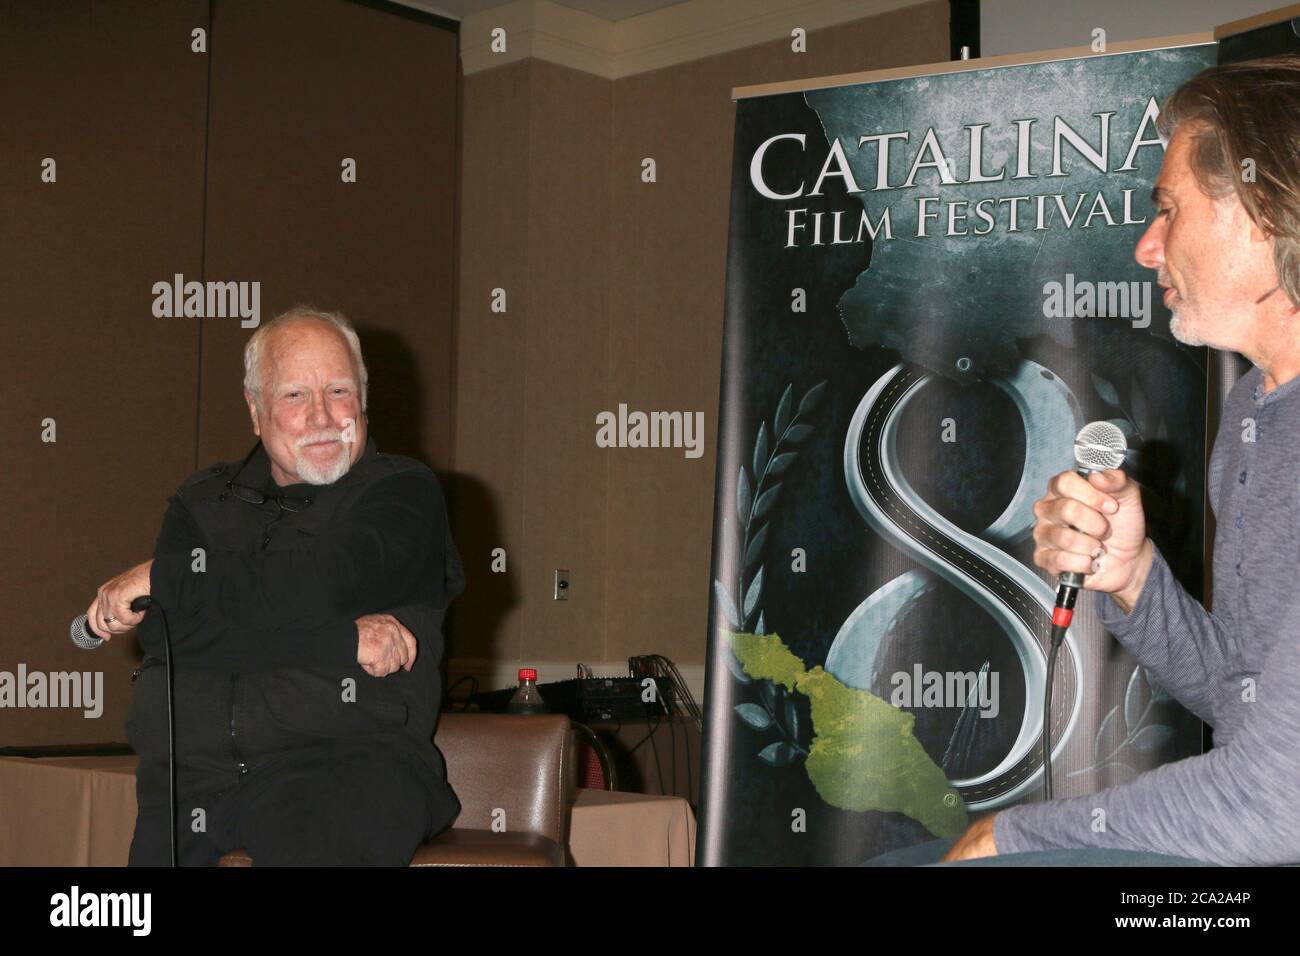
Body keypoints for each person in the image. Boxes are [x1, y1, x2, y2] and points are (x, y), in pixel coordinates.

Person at [869, 53, 1300, 867]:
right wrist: (1135, 578)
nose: (1145, 248)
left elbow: (1279, 802)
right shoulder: (1256, 414)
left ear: (1268, 208)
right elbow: (1240, 699)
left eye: (1168, 210)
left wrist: (1014, 833)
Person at [88, 305, 465, 865]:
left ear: (362, 398)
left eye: (338, 391)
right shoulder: (202, 501)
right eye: (294, 396)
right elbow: (174, 639)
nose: (321, 416)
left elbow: (322, 584)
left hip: (341, 772)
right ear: (255, 409)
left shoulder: (403, 494)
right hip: (189, 783)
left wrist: (170, 579)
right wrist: (338, 643)